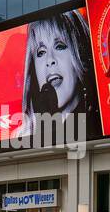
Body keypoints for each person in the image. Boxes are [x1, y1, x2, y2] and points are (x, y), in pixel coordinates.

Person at [21, 10, 99, 141]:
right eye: (41, 52)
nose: (50, 60)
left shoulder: (98, 126)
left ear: (81, 55)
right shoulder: (24, 137)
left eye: (59, 46)